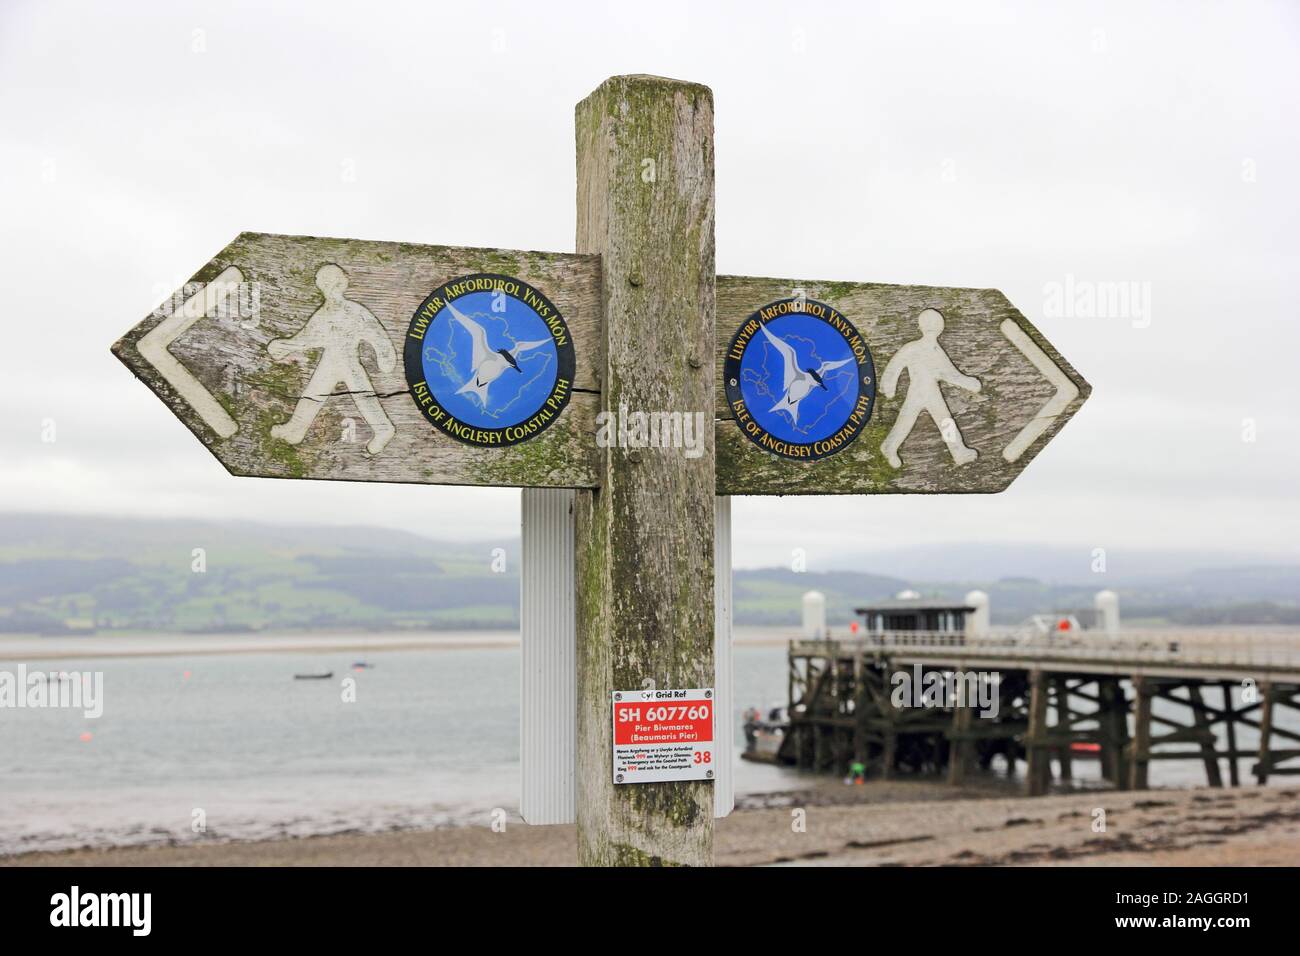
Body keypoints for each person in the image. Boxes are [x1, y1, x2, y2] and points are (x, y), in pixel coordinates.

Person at [268, 263, 397, 455]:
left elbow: (376, 333)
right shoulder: (322, 315)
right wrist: (284, 346)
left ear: (342, 283)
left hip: (349, 363)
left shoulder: (354, 311)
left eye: (334, 283)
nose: (331, 288)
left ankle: (383, 429)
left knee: (363, 396)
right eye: (326, 284)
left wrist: (386, 357)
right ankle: (296, 428)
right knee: (312, 394)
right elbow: (307, 339)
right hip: (330, 363)